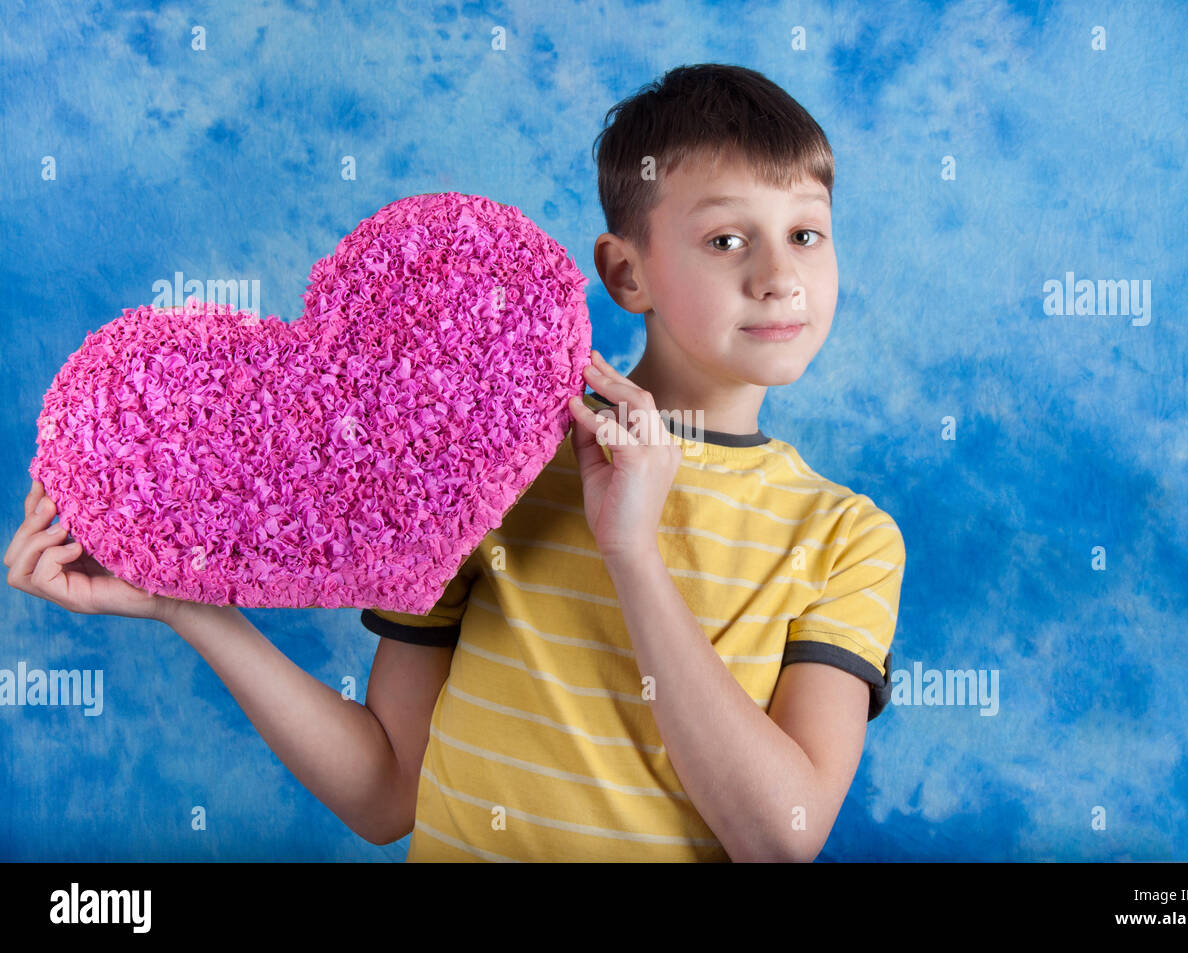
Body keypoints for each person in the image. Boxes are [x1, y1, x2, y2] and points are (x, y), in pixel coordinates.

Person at [5, 63, 905, 862]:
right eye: (726, 239)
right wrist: (193, 608)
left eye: (807, 234)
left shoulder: (847, 540)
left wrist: (632, 551)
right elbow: (385, 793)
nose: (779, 276)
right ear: (626, 273)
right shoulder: (484, 458)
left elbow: (779, 835)